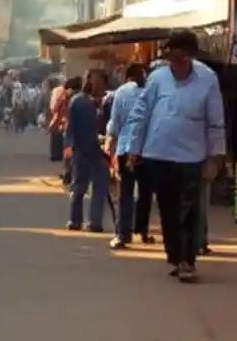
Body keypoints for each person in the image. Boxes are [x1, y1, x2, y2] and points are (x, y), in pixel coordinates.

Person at [123, 30, 226, 283]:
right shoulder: (157, 78)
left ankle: (187, 260)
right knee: (168, 209)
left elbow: (216, 121)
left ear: (187, 55)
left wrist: (216, 157)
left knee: (189, 209)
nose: (173, 60)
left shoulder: (207, 79)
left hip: (192, 156)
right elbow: (140, 114)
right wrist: (133, 148)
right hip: (158, 153)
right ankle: (175, 255)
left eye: (177, 54)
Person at [104, 63, 154, 250]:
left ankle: (122, 234)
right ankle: (142, 230)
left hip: (125, 148)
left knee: (125, 192)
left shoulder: (122, 92)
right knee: (145, 192)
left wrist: (111, 142)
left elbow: (115, 121)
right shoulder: (151, 92)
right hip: (147, 150)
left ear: (126, 77)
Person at [65, 70, 111, 232]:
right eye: (99, 82)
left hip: (86, 150)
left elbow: (70, 130)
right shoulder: (81, 103)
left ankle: (79, 220)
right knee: (92, 185)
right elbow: (77, 129)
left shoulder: (81, 101)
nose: (101, 86)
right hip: (87, 150)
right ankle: (90, 221)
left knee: (81, 186)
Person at [50, 76, 81, 184]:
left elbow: (57, 109)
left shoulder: (67, 97)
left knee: (68, 150)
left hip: (69, 126)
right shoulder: (82, 97)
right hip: (78, 126)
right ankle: (71, 173)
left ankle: (68, 173)